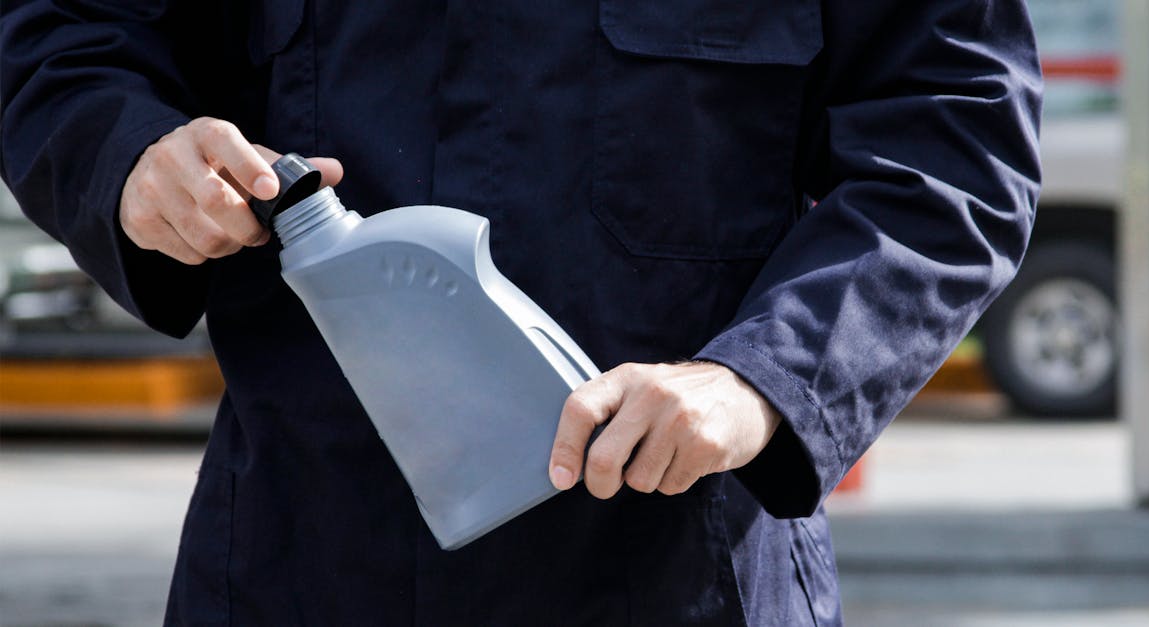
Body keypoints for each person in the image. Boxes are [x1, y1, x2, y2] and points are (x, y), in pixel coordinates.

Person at [0, 1, 1041, 624]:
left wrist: (759, 381)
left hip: (678, 572)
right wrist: (131, 154)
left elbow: (952, 138)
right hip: (300, 561)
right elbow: (64, 38)